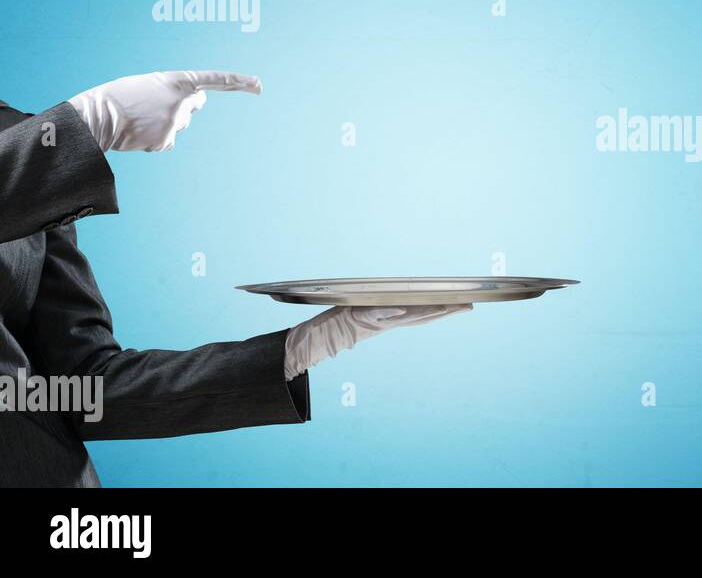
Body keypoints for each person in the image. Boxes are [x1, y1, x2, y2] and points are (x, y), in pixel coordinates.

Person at [0, 71, 466, 487]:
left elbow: (83, 387)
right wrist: (91, 122)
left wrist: (300, 348)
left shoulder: (21, 136)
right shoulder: (44, 146)